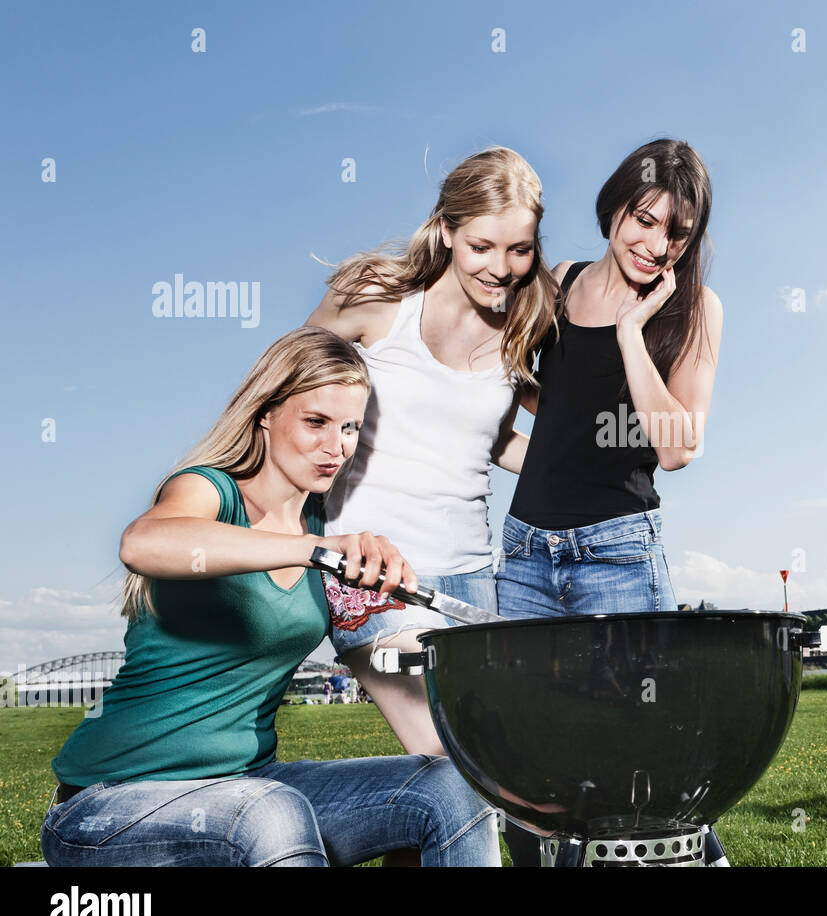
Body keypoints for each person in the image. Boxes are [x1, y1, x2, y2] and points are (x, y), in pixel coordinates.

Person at [41, 327, 499, 867]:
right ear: (266, 413)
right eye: (316, 422)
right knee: (269, 811)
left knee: (447, 787)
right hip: (109, 805)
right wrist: (311, 550)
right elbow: (142, 541)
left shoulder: (323, 527)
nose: (337, 446)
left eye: (351, 426)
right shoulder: (211, 491)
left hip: (247, 784)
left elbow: (386, 648)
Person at [496, 139, 722, 864]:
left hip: (619, 554)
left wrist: (631, 333)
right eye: (643, 219)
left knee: (640, 757)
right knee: (524, 759)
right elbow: (553, 406)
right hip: (527, 551)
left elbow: (678, 444)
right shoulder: (557, 281)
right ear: (615, 205)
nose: (655, 244)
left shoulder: (694, 308)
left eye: (675, 233)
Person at [306, 146, 558, 756]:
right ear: (446, 231)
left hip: (473, 574)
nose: (501, 268)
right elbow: (286, 388)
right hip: (374, 568)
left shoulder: (522, 325)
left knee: (458, 771)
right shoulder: (376, 298)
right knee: (458, 760)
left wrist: (590, 469)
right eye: (482, 247)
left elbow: (491, 441)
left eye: (519, 250)